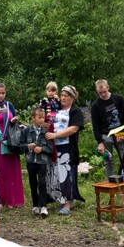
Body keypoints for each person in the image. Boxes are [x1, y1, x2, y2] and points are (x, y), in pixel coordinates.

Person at [0, 82, 25, 207]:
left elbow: (15, 119)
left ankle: (12, 198)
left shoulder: (9, 105)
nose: (1, 96)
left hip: (9, 140)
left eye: (3, 93)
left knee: (11, 169)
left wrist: (14, 121)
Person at [46, 86, 84, 215]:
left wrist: (56, 135)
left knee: (66, 174)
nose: (63, 98)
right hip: (54, 146)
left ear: (72, 98)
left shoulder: (75, 111)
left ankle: (67, 203)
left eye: (66, 95)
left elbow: (74, 128)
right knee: (55, 173)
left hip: (67, 146)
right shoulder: (55, 109)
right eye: (62, 95)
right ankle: (56, 198)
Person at [90, 79, 124, 179]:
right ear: (97, 91)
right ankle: (112, 183)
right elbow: (95, 125)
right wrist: (99, 142)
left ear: (108, 87)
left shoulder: (118, 99)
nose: (103, 94)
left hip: (120, 133)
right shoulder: (95, 105)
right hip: (106, 135)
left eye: (104, 91)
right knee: (109, 161)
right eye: (100, 92)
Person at [24, 105, 54, 216]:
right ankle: (35, 205)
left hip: (42, 162)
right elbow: (21, 145)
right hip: (31, 161)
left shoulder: (46, 132)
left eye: (43, 117)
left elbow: (50, 149)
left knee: (42, 183)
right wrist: (29, 146)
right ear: (33, 118)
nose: (42, 119)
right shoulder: (27, 131)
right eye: (39, 117)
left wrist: (41, 149)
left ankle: (44, 206)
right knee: (32, 182)